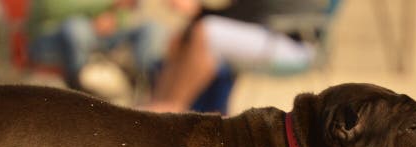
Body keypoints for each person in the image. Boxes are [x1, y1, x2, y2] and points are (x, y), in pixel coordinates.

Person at [147, 0, 342, 113]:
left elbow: (253, 11)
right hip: (270, 33)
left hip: (296, 43)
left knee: (207, 33)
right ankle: (158, 106)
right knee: (192, 36)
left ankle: (171, 109)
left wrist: (198, 11)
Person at [27, 0, 165, 92]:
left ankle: (146, 82)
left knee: (152, 29)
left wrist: (113, 20)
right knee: (77, 27)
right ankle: (80, 84)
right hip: (53, 39)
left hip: (101, 39)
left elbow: (123, 11)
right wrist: (104, 7)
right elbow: (54, 6)